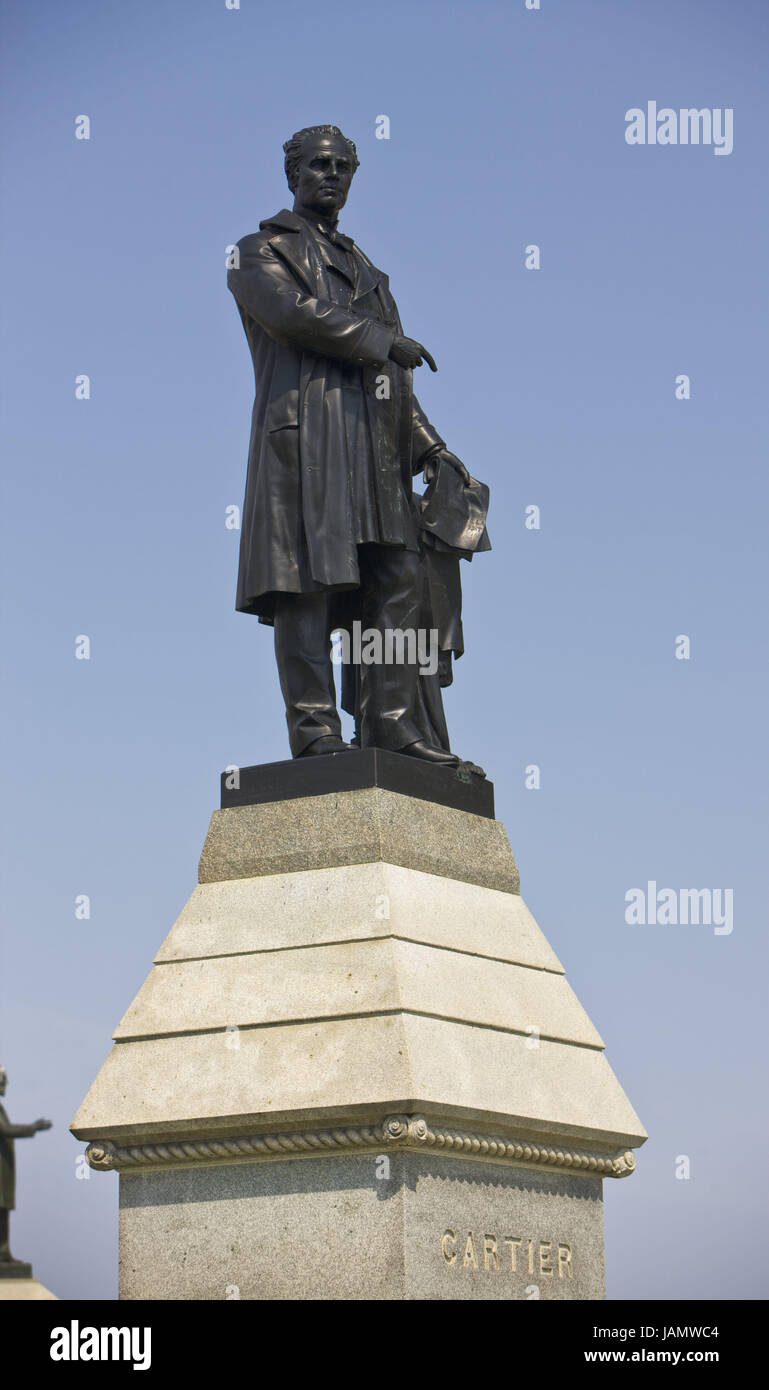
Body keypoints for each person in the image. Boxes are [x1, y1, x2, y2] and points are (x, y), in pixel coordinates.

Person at [227, 124, 484, 768]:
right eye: (319, 165)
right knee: (307, 587)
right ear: (293, 174)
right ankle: (315, 731)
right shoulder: (257, 252)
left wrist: (431, 449)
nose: (332, 175)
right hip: (307, 444)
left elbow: (396, 382)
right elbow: (292, 315)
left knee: (396, 580)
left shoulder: (368, 272)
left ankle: (392, 723)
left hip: (376, 450)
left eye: (343, 166)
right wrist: (378, 340)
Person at [0, 1065, 51, 1269]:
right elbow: (5, 1130)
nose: (6, 1084)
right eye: (3, 1080)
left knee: (3, 1211)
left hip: (4, 1172)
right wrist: (34, 1128)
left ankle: (3, 1253)